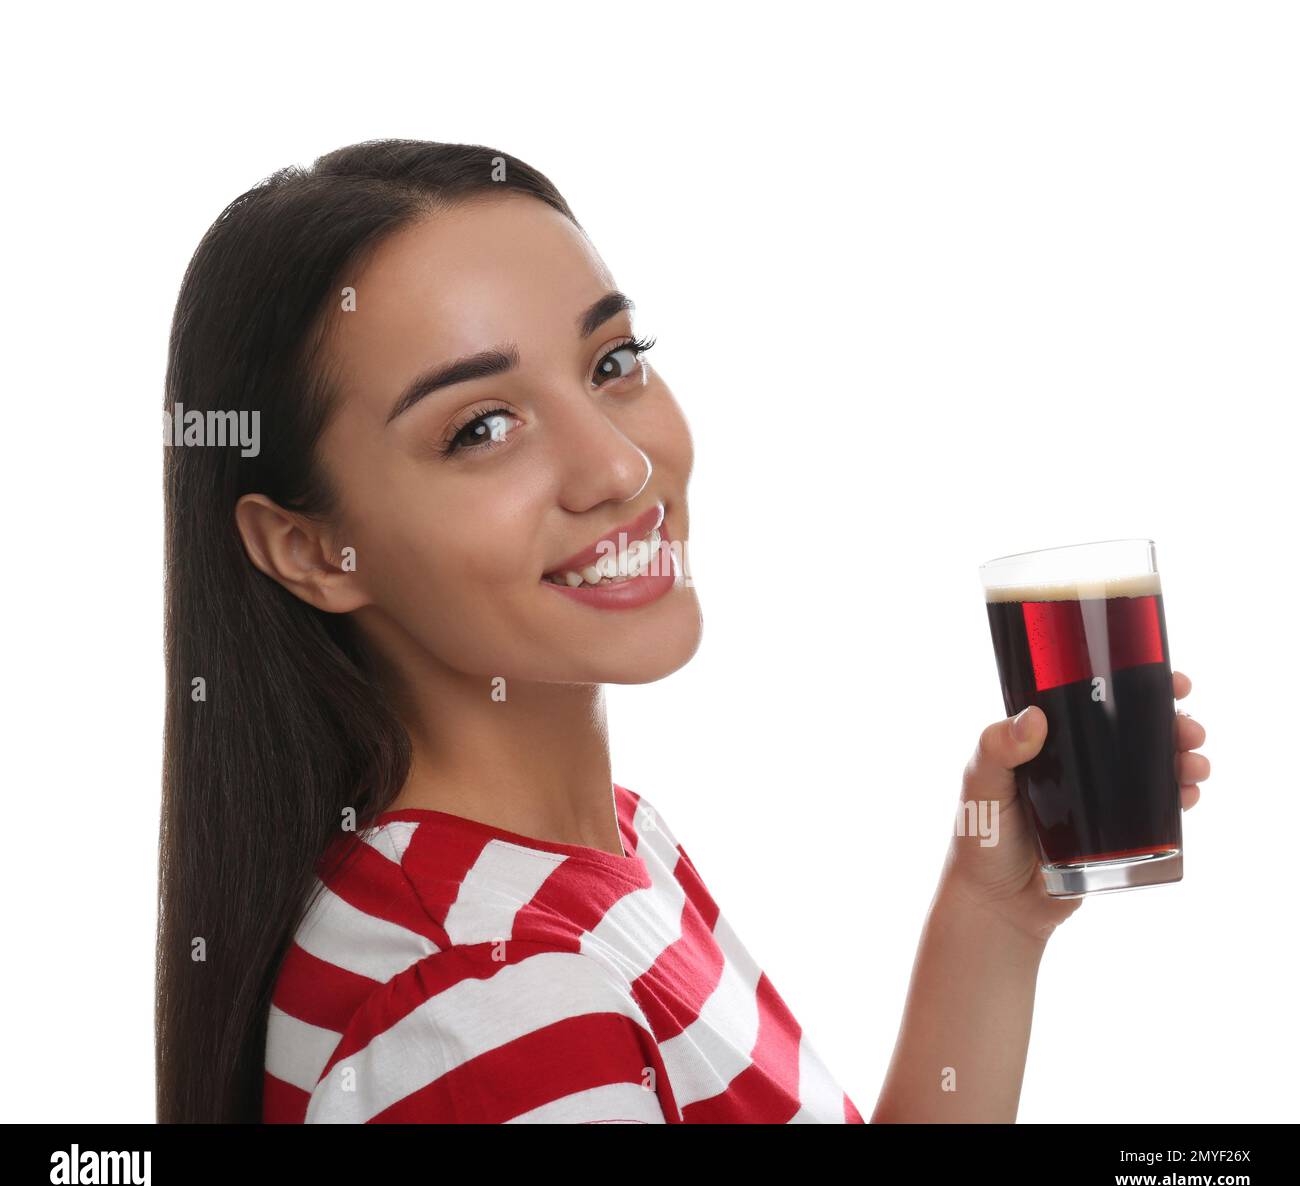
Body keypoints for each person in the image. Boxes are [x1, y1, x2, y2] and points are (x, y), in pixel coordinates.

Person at [155, 139, 1212, 1123]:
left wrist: (995, 919)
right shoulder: (490, 999)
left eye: (612, 362)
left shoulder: (602, 850)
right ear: (307, 548)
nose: (617, 464)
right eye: (481, 426)